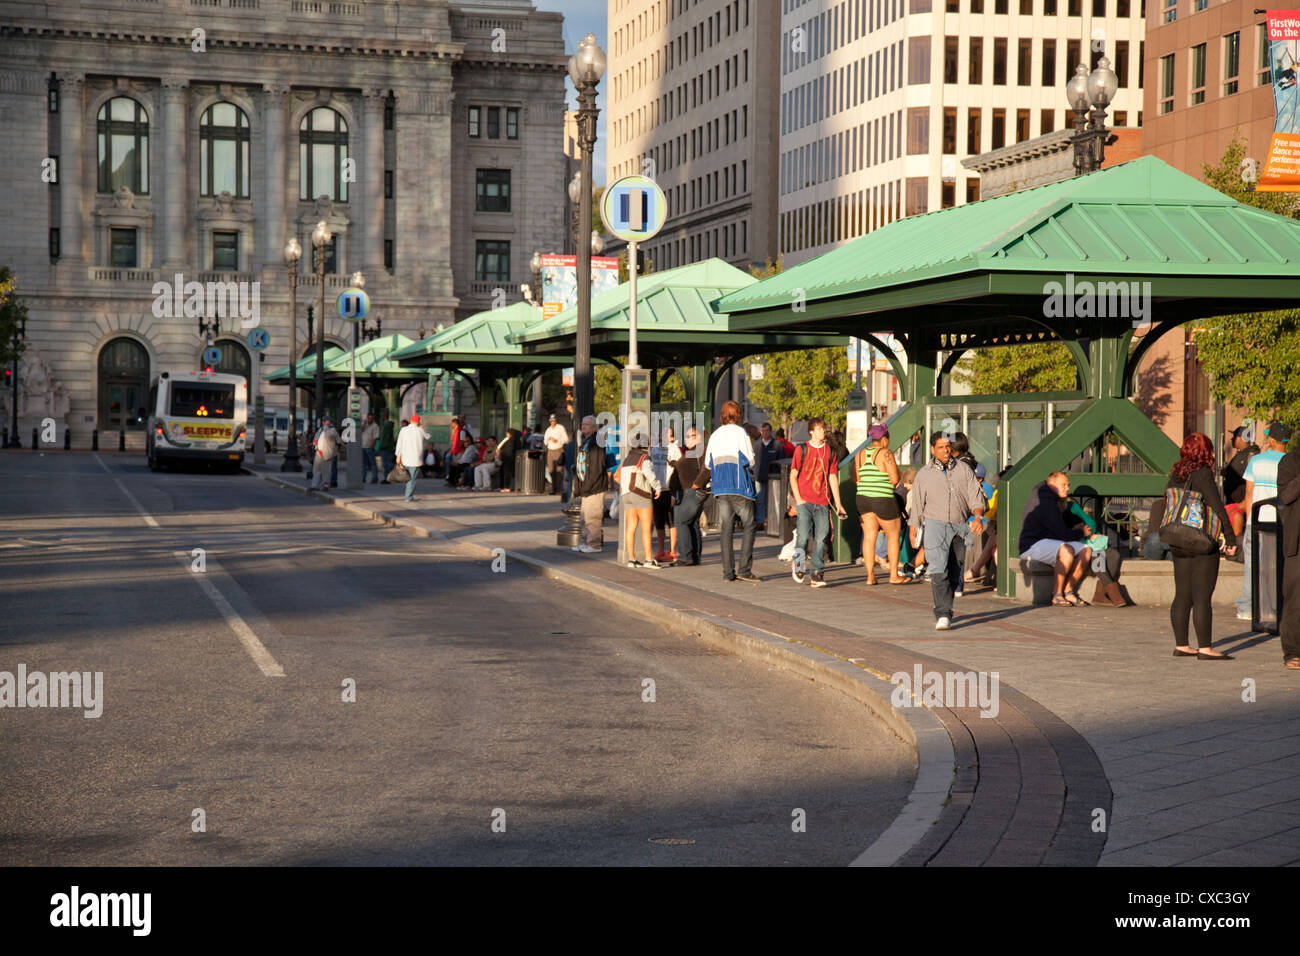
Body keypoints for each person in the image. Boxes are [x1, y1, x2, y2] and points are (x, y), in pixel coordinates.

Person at [1149, 432, 1237, 659]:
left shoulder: (1176, 474)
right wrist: (1230, 537)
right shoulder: (1203, 474)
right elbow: (1218, 507)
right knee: (1202, 597)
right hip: (1200, 541)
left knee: (1182, 595)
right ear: (1207, 452)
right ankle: (1205, 648)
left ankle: (1181, 645)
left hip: (1178, 539)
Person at [909, 432, 985, 630]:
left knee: (955, 570)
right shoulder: (924, 474)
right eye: (941, 447)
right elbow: (917, 504)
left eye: (948, 446)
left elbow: (975, 497)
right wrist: (913, 528)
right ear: (933, 449)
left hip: (959, 527)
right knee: (938, 568)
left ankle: (943, 602)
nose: (946, 450)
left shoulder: (964, 470)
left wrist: (977, 516)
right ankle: (943, 612)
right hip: (934, 526)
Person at [1235, 422, 1290, 622]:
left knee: (1253, 565)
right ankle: (1274, 606)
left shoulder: (1256, 461)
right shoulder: (1291, 462)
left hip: (1257, 520)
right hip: (1282, 521)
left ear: (1272, 440)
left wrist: (1249, 519)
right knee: (1278, 565)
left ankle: (1248, 607)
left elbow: (1249, 494)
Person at [1018, 472, 1094, 607]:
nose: (1067, 488)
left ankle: (1068, 590)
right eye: (1064, 485)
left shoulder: (1052, 499)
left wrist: (1075, 531)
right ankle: (1057, 594)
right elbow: (1061, 535)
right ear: (1052, 485)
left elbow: (1058, 532)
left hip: (1048, 542)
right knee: (1067, 550)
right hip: (1032, 545)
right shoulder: (1044, 501)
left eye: (1068, 485)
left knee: (1086, 550)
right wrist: (1080, 532)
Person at [705, 400, 760, 583]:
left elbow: (708, 463)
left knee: (726, 529)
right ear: (738, 415)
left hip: (720, 488)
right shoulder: (740, 433)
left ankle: (728, 572)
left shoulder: (715, 435)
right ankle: (744, 569)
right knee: (749, 525)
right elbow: (750, 460)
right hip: (739, 487)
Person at [791, 417, 848, 588]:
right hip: (805, 500)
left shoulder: (829, 451)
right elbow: (793, 476)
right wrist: (798, 499)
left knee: (821, 538)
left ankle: (817, 573)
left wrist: (838, 503)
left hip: (823, 502)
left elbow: (832, 477)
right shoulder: (801, 450)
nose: (822, 432)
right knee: (802, 537)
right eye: (818, 429)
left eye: (823, 429)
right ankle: (798, 566)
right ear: (811, 431)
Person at [855, 424, 906, 585]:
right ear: (884, 439)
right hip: (883, 499)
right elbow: (894, 479)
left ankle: (870, 577)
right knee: (892, 535)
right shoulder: (886, 453)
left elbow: (857, 479)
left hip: (863, 498)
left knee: (869, 537)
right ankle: (893, 576)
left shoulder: (860, 454)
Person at [1274, 443, 1300, 669]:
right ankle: (1292, 652)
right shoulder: (1289, 463)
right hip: (1297, 544)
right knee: (1295, 600)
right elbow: (1286, 495)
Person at [570, 415, 611, 554]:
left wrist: (587, 485)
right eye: (582, 423)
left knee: (592, 517)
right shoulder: (586, 441)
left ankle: (594, 545)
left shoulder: (597, 442)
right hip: (586, 486)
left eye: (587, 424)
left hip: (595, 486)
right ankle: (584, 542)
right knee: (584, 518)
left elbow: (597, 467)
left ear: (594, 427)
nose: (583, 426)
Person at [619, 442, 664, 568]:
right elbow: (649, 474)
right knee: (646, 528)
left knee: (631, 527)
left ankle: (631, 560)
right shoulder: (644, 458)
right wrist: (658, 487)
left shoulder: (627, 459)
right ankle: (649, 560)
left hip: (626, 494)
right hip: (640, 493)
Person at [668, 426, 707, 566]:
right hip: (684, 491)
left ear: (699, 437)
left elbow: (707, 468)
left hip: (689, 491)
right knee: (692, 523)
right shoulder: (693, 452)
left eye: (689, 436)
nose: (686, 439)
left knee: (681, 522)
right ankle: (694, 556)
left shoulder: (700, 450)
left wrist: (697, 484)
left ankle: (685, 557)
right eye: (686, 436)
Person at [1221, 424, 1259, 543]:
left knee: (1239, 537)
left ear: (1241, 438)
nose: (1232, 440)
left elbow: (1247, 477)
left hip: (1241, 506)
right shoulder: (1240, 454)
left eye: (1234, 437)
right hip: (1234, 504)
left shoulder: (1251, 454)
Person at [652, 427, 680, 561]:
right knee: (659, 521)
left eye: (668, 434)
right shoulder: (654, 449)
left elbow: (679, 469)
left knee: (671, 521)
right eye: (663, 432)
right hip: (657, 489)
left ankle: (673, 550)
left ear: (672, 437)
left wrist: (675, 492)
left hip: (669, 489)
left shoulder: (674, 449)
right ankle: (661, 550)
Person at [395, 413, 427, 502]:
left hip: (405, 458)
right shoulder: (420, 430)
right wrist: (422, 428)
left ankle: (408, 495)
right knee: (412, 479)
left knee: (407, 477)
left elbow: (399, 443)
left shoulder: (404, 430)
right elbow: (428, 436)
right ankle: (408, 497)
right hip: (416, 459)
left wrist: (398, 456)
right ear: (418, 421)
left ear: (411, 421)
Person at [312, 416, 339, 491]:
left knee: (326, 470)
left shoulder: (333, 430)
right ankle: (315, 485)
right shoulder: (320, 429)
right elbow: (316, 438)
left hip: (327, 453)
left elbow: (329, 436)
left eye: (327, 421)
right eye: (324, 421)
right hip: (319, 452)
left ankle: (326, 485)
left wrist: (326, 428)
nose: (325, 423)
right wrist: (315, 443)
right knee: (316, 470)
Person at [544, 414, 569, 495]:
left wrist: (557, 440)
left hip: (558, 449)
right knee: (551, 470)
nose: (552, 422)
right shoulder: (548, 429)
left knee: (559, 470)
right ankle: (553, 488)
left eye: (554, 420)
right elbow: (545, 441)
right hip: (550, 450)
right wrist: (548, 439)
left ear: (556, 420)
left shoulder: (560, 428)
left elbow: (566, 439)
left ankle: (559, 488)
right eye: (551, 420)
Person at [497, 427, 521, 492]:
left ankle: (507, 487)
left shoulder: (511, 440)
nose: (506, 434)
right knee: (507, 473)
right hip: (509, 459)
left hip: (508, 459)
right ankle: (506, 487)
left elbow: (509, 450)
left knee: (507, 474)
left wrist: (502, 453)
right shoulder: (514, 440)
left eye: (507, 433)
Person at [359, 412, 380, 484]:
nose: (369, 420)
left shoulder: (375, 426)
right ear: (367, 418)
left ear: (373, 418)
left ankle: (374, 478)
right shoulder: (364, 425)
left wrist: (372, 446)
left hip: (369, 447)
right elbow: (360, 431)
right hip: (363, 446)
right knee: (363, 464)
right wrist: (364, 424)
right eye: (369, 418)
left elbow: (376, 437)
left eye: (371, 418)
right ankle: (363, 477)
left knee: (372, 463)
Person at [378, 410, 397, 484]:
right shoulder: (386, 425)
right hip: (387, 447)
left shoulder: (386, 425)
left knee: (386, 464)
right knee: (386, 463)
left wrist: (381, 446)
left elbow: (385, 438)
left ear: (384, 416)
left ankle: (387, 477)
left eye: (382, 416)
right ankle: (387, 477)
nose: (381, 417)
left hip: (385, 448)